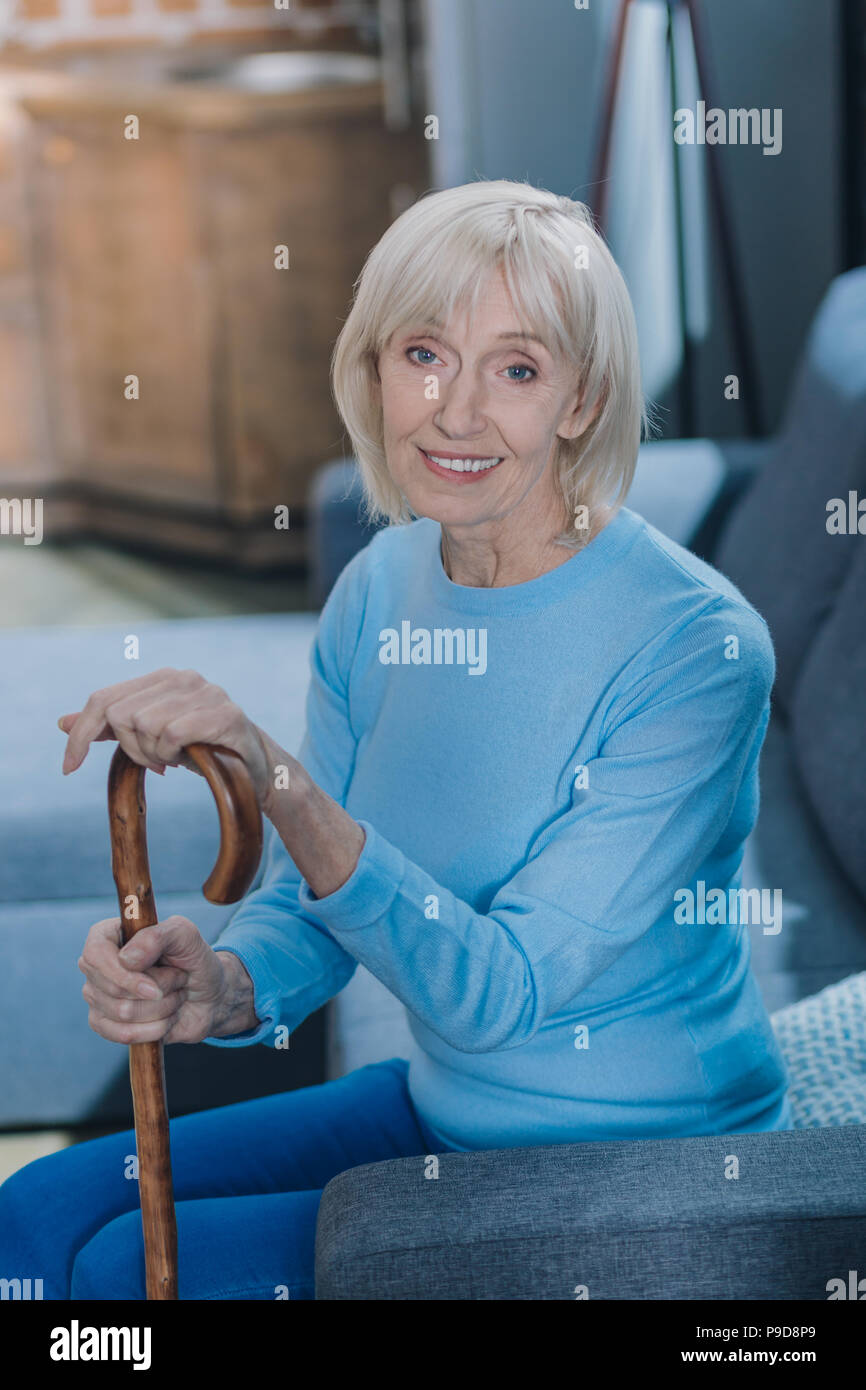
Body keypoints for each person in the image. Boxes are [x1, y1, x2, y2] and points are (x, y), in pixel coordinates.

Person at [0, 180, 791, 1299]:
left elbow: (500, 993)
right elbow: (312, 912)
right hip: (440, 1104)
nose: (455, 413)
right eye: (424, 353)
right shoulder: (380, 590)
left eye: (515, 369)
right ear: (374, 369)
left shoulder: (694, 649)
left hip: (629, 1162)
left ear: (580, 399)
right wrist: (219, 987)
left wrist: (269, 771)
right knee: (33, 1211)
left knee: (125, 1276)